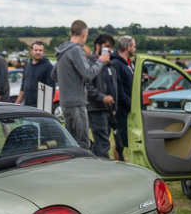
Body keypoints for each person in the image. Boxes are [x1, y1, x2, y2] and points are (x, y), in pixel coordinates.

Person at [53, 20, 110, 150]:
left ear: (71, 32)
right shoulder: (76, 50)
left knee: (70, 144)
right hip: (77, 104)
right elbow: (88, 74)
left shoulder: (62, 51)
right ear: (84, 34)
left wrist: (70, 81)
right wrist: (101, 60)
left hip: (65, 104)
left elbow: (54, 75)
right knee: (83, 144)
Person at [86, 33, 119, 158]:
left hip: (109, 109)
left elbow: (114, 86)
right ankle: (106, 172)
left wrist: (115, 107)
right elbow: (87, 85)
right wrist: (102, 97)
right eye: (107, 46)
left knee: (98, 145)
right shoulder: (90, 63)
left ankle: (92, 166)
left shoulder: (110, 64)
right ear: (97, 46)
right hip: (96, 108)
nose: (109, 50)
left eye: (111, 47)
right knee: (103, 143)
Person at [109, 35, 136, 160]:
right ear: (128, 47)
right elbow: (119, 90)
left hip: (128, 109)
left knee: (126, 140)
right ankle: (118, 164)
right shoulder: (117, 64)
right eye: (134, 46)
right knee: (119, 141)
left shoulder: (127, 64)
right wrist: (132, 104)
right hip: (122, 110)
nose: (135, 49)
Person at [17, 41, 55, 108]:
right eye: (36, 50)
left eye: (40, 50)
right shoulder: (27, 66)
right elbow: (23, 86)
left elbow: (50, 90)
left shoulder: (48, 67)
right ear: (31, 51)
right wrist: (17, 103)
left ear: (43, 52)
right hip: (27, 105)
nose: (38, 52)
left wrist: (45, 108)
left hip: (40, 107)